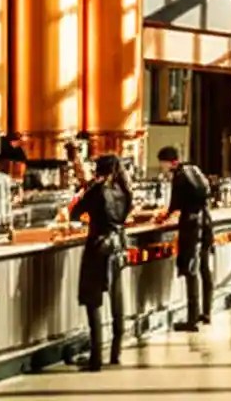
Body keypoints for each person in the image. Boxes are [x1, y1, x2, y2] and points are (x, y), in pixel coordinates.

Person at [69, 155, 133, 370]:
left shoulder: (98, 190)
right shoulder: (125, 190)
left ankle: (96, 357)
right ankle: (116, 353)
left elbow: (75, 213)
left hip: (99, 246)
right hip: (119, 246)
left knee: (92, 299)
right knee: (117, 301)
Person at [156, 145, 213, 332]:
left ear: (168, 162)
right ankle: (206, 312)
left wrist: (162, 217)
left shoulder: (179, 176)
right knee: (204, 267)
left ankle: (191, 320)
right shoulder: (195, 170)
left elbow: (174, 205)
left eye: (162, 164)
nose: (162, 168)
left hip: (191, 225)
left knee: (191, 270)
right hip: (206, 222)